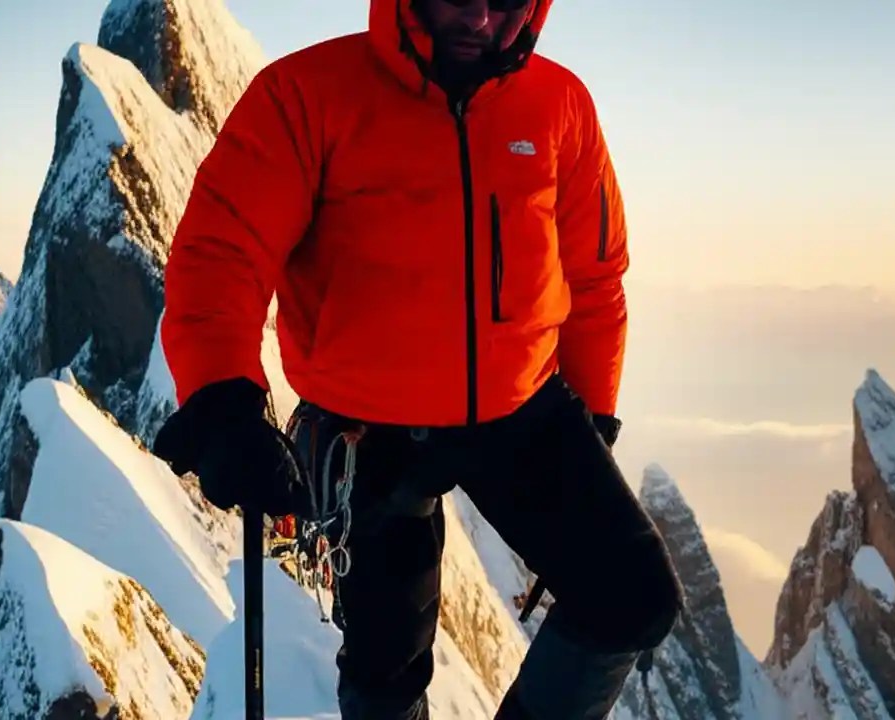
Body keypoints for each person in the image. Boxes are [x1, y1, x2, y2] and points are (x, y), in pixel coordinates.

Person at [152, 1, 682, 718]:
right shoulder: (306, 94)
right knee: (386, 671)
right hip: (365, 429)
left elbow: (593, 276)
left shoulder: (559, 104)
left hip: (521, 409)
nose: (481, 17)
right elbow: (222, 253)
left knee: (632, 595)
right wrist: (221, 401)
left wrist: (595, 411)